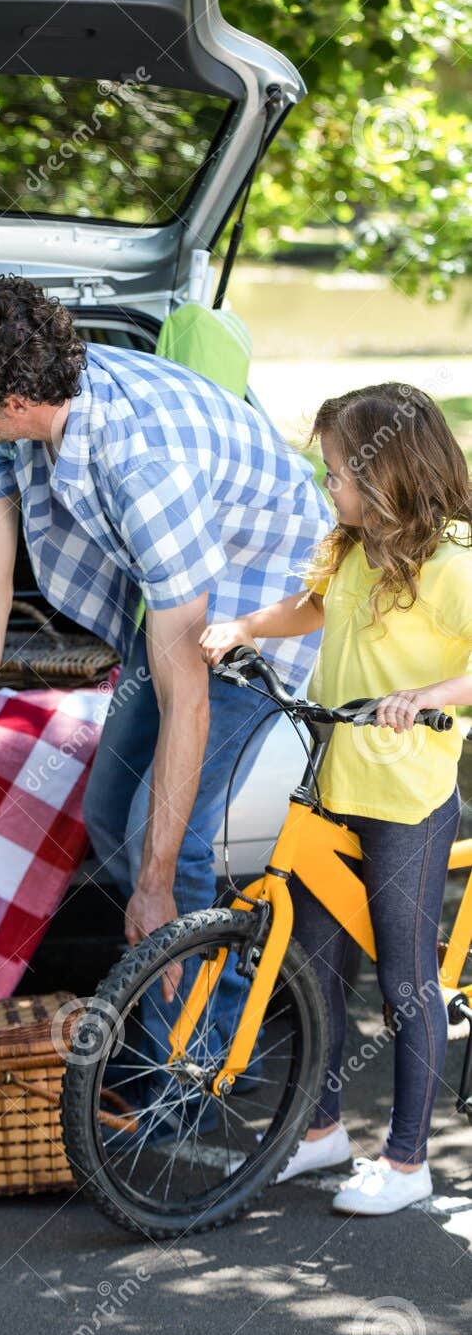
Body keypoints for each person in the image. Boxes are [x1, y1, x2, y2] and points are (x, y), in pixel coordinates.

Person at [0, 275, 331, 1047]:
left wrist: (154, 886)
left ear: (16, 402)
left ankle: (187, 1071)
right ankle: (212, 1014)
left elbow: (188, 696)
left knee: (167, 841)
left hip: (267, 607)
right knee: (110, 816)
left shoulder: (144, 464)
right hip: (179, 590)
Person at [202, 383, 472, 1216]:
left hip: (403, 794)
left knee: (403, 979)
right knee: (312, 968)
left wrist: (426, 694)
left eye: (336, 472)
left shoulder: (450, 563)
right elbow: (313, 607)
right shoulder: (355, 549)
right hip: (331, 782)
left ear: (386, 472)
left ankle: (406, 1161)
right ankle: (318, 1130)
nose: (328, 486)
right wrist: (244, 627)